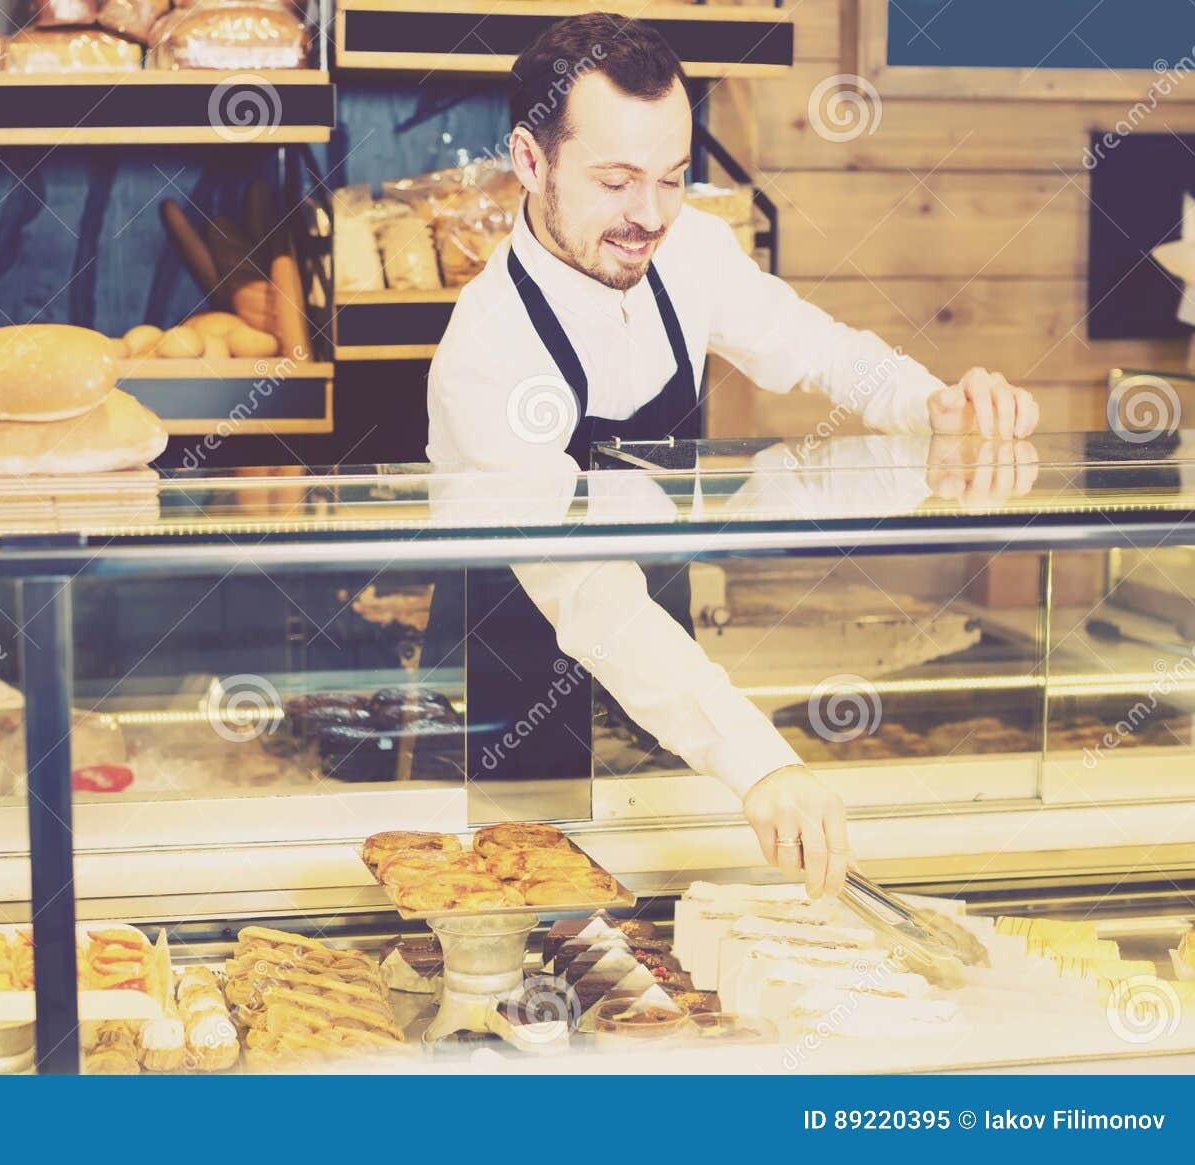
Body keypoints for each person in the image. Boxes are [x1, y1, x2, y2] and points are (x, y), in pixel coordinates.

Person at [424, 13, 1039, 897]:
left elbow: (817, 348)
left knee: (663, 945)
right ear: (530, 162)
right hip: (511, 704)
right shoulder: (485, 351)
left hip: (672, 693)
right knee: (532, 941)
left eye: (672, 179)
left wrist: (932, 403)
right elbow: (590, 596)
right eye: (616, 181)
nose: (649, 215)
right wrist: (758, 759)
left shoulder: (692, 251)